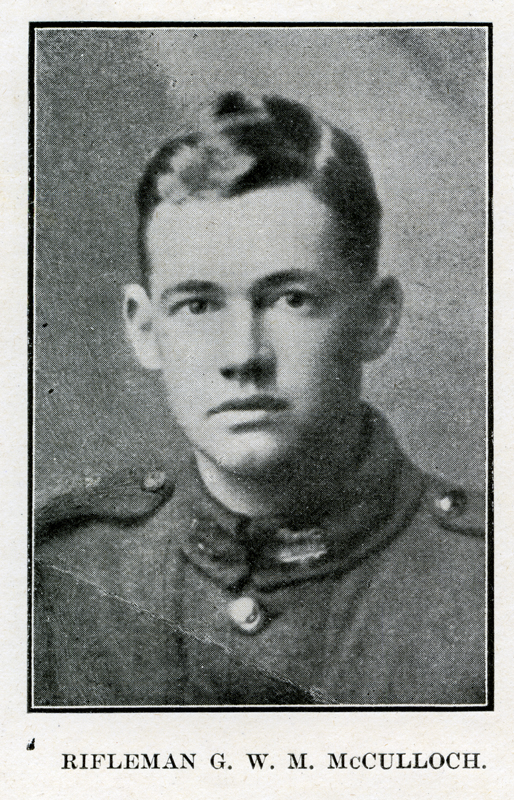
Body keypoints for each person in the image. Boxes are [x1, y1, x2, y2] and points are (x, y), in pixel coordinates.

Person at [34, 92, 486, 706]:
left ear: (377, 318)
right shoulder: (57, 575)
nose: (243, 355)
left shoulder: (485, 580)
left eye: (291, 299)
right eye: (197, 305)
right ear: (144, 329)